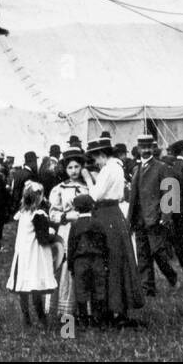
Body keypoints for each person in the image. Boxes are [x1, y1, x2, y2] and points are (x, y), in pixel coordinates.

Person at [86, 134, 144, 322]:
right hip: (116, 214)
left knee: (109, 261)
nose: (95, 162)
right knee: (120, 260)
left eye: (95, 158)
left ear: (102, 155)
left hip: (105, 214)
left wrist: (88, 179)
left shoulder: (107, 170)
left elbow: (95, 195)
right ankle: (120, 307)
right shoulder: (118, 167)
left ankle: (111, 307)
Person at [129, 134, 178, 296]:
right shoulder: (136, 169)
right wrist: (130, 219)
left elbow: (168, 193)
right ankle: (148, 288)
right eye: (143, 147)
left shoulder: (161, 167)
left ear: (153, 148)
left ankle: (172, 277)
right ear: (138, 149)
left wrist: (166, 216)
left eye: (149, 147)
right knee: (142, 254)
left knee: (157, 252)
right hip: (139, 219)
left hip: (155, 218)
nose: (146, 150)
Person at [6, 180, 57, 328]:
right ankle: (42, 319)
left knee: (24, 286)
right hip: (35, 254)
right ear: (39, 197)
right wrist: (52, 233)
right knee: (36, 285)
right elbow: (43, 238)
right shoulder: (39, 214)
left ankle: (26, 318)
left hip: (22, 254)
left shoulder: (22, 213)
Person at [48, 144, 87, 317]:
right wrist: (65, 217)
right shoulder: (60, 189)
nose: (73, 171)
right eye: (70, 167)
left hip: (86, 231)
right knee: (66, 267)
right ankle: (67, 313)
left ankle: (87, 311)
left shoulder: (89, 186)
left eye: (76, 167)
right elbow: (53, 213)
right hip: (67, 231)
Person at [66, 194, 107, 326]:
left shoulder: (75, 225)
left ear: (77, 209)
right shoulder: (99, 224)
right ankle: (98, 320)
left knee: (81, 290)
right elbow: (105, 243)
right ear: (92, 206)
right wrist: (105, 261)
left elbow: (71, 246)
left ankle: (83, 320)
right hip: (97, 260)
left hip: (80, 261)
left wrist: (71, 265)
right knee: (98, 289)